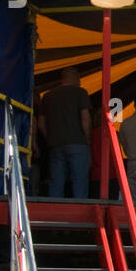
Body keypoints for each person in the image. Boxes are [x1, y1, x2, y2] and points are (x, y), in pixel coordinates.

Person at [37, 67, 91, 198]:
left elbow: (41, 124)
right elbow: (85, 118)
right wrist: (87, 138)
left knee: (56, 181)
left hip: (55, 144)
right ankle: (80, 211)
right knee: (79, 181)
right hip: (78, 142)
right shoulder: (80, 93)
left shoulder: (48, 96)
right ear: (76, 79)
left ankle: (54, 210)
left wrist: (50, 138)